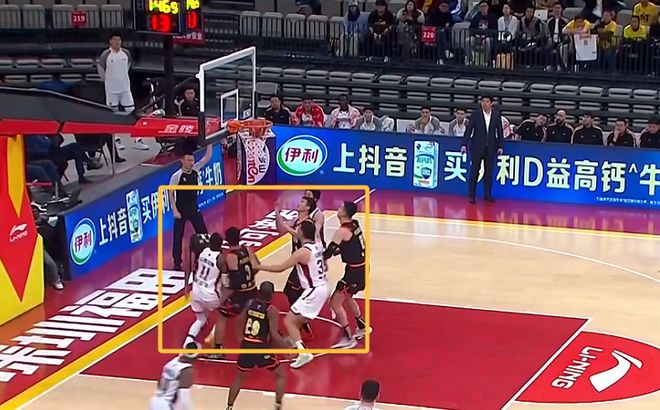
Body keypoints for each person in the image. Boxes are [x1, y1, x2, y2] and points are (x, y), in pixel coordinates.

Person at [255, 221, 329, 369]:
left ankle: (303, 353)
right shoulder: (319, 246)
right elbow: (325, 266)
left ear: (301, 233)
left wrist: (259, 266)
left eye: (298, 229)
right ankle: (296, 341)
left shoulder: (302, 252)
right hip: (323, 286)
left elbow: (280, 268)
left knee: (289, 320)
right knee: (297, 319)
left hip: (314, 289)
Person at [225, 281, 289, 410]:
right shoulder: (271, 310)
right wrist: (288, 348)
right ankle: (278, 406)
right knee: (281, 375)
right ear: (272, 294)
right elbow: (274, 334)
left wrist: (240, 338)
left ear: (259, 292)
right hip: (260, 347)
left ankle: (229, 407)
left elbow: (239, 321)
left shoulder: (250, 304)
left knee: (239, 378)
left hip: (246, 345)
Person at [205, 226, 259, 360]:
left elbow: (235, 281)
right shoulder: (247, 249)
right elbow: (257, 266)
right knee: (244, 320)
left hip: (241, 295)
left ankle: (218, 350)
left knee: (222, 316)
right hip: (253, 289)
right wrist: (249, 280)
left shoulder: (231, 256)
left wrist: (225, 290)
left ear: (227, 240)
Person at [324, 201, 369, 349]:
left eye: (341, 207)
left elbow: (329, 252)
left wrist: (317, 258)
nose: (338, 208)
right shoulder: (354, 224)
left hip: (355, 272)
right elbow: (346, 247)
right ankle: (362, 326)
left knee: (334, 303)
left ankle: (348, 337)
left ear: (345, 212)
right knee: (348, 296)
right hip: (361, 267)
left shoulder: (342, 231)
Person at [275, 196, 319, 340]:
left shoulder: (307, 224)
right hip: (299, 263)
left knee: (291, 291)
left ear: (307, 208)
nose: (299, 203)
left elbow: (298, 235)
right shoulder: (297, 221)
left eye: (302, 202)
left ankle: (301, 321)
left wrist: (285, 226)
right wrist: (277, 213)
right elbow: (280, 229)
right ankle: (301, 321)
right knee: (292, 291)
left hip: (305, 264)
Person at [98, 32, 148, 150]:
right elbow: (101, 69)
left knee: (132, 112)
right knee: (113, 115)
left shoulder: (126, 53)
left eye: (119, 40)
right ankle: (116, 140)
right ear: (110, 41)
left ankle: (137, 139)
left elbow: (128, 66)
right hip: (112, 91)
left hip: (125, 89)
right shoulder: (105, 55)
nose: (117, 42)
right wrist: (108, 82)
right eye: (115, 40)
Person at [169, 143, 213, 271]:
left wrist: (209, 142)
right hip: (181, 210)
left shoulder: (195, 170)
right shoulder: (177, 176)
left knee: (203, 233)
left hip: (193, 208)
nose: (191, 163)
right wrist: (175, 210)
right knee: (178, 237)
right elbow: (170, 193)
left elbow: (207, 157)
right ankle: (177, 262)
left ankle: (204, 257)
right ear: (182, 161)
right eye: (188, 160)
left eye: (192, 160)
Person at [460, 96, 504, 204]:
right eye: (483, 101)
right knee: (474, 171)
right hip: (477, 147)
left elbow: (500, 131)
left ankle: (487, 194)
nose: (484, 103)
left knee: (489, 173)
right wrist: (464, 144)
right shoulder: (476, 114)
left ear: (491, 103)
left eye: (487, 101)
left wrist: (500, 146)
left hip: (491, 147)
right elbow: (469, 129)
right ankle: (472, 195)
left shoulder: (496, 114)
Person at [184, 233, 224, 346]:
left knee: (200, 320)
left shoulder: (203, 252)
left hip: (196, 292)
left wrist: (186, 286)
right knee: (224, 315)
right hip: (211, 294)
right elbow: (226, 280)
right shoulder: (221, 259)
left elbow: (190, 268)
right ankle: (212, 335)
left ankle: (187, 343)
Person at [149, 341, 200, 410]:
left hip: (155, 401)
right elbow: (184, 397)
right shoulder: (186, 370)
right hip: (166, 406)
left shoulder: (172, 362)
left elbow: (159, 383)